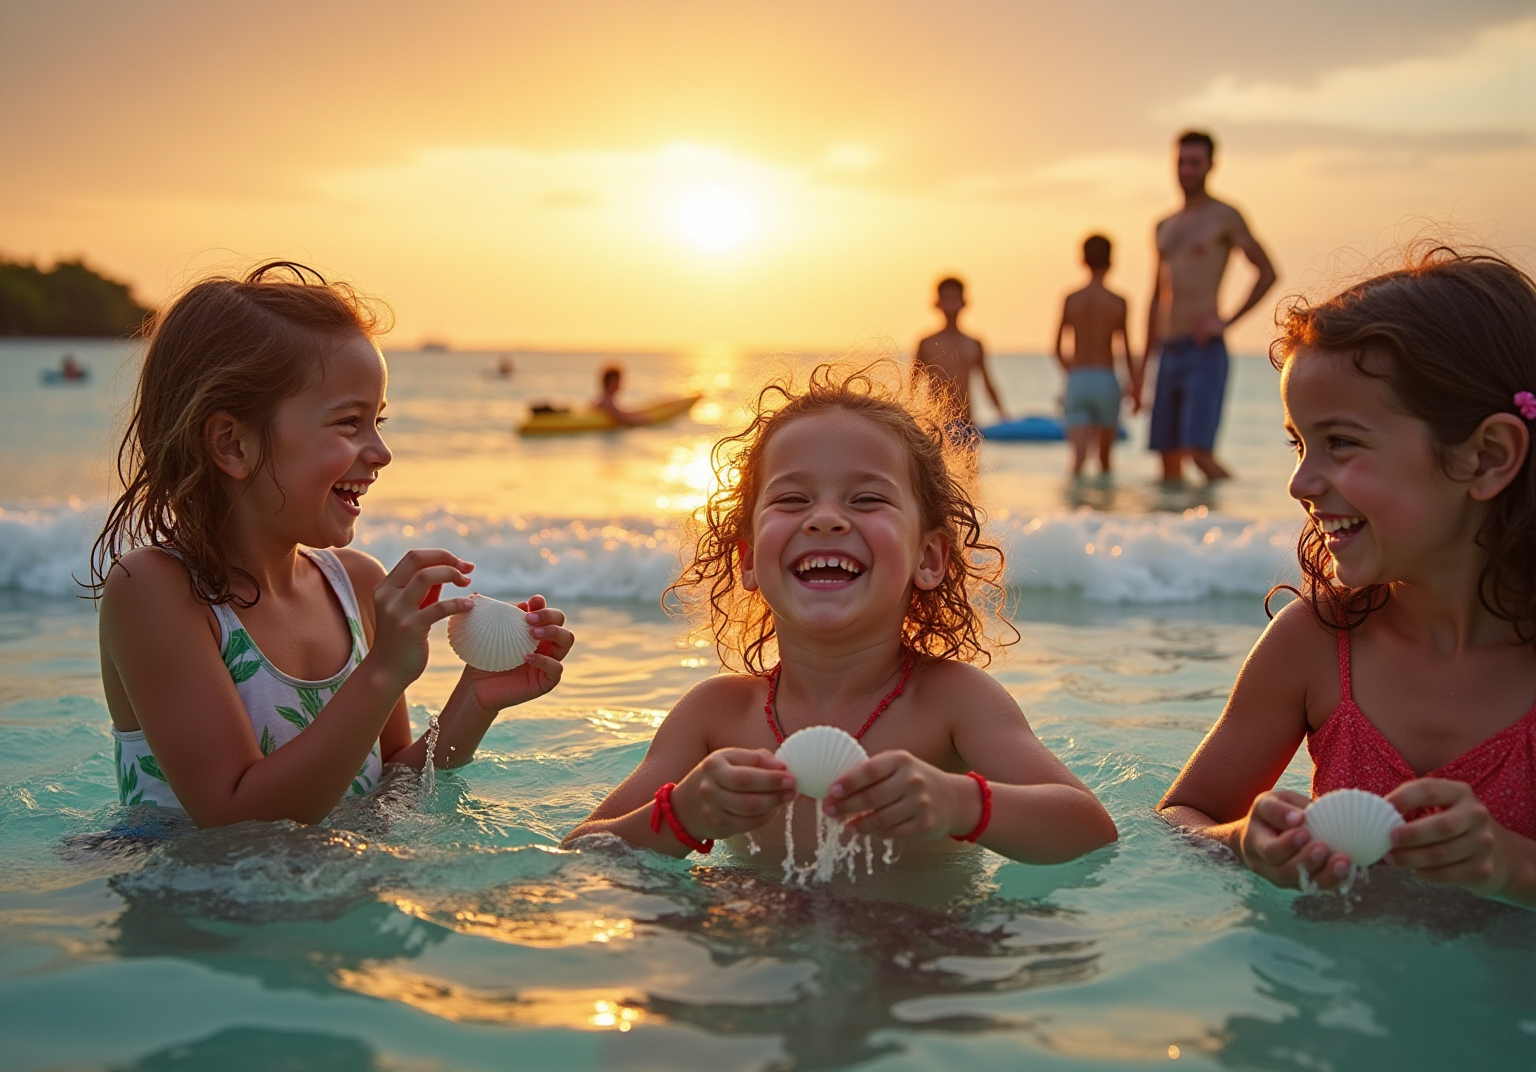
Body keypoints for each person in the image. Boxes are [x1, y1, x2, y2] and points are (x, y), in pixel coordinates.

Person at [564, 364, 1116, 865]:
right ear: (750, 558)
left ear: (928, 558)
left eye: (867, 499)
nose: (825, 519)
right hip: (754, 947)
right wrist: (680, 816)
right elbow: (582, 853)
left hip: (921, 957)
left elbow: (1089, 829)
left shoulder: (952, 702)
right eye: (793, 500)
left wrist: (961, 803)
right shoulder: (716, 715)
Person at [91, 262, 574, 827]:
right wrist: (382, 672)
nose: (381, 453)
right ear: (233, 443)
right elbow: (236, 821)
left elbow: (389, 781)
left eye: (379, 422)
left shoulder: (357, 583)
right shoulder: (154, 592)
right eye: (349, 423)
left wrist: (474, 700)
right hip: (196, 908)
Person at [1158, 248, 1536, 908]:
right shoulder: (1316, 643)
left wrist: (1514, 868)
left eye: (1342, 442)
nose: (1300, 483)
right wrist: (1244, 842)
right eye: (1299, 444)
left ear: (1488, 456)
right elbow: (1179, 819)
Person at [1141, 130, 1276, 484]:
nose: (1186, 170)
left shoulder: (1225, 216)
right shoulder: (1163, 226)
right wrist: (1142, 367)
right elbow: (1155, 296)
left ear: (1211, 166)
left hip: (1202, 349)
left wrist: (1227, 321)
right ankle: (1177, 534)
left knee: (1199, 454)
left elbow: (1268, 272)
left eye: (1195, 163)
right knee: (1168, 464)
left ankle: (1239, 523)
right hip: (1167, 353)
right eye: (1181, 162)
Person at [1054, 235, 1135, 477]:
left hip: (1078, 378)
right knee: (1105, 460)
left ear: (1083, 260)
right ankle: (1103, 510)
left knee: (1077, 462)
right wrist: (1135, 382)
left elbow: (1057, 347)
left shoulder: (1071, 299)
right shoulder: (1118, 301)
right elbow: (1126, 349)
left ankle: (1074, 512)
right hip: (1106, 378)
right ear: (1111, 261)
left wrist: (1072, 372)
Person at [913, 277, 1006, 445]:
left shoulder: (974, 343)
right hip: (934, 424)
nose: (950, 304)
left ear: (964, 302)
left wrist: (1003, 416)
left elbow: (987, 383)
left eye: (954, 299)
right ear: (937, 303)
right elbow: (913, 384)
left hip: (967, 423)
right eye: (946, 299)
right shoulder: (926, 343)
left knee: (970, 471)